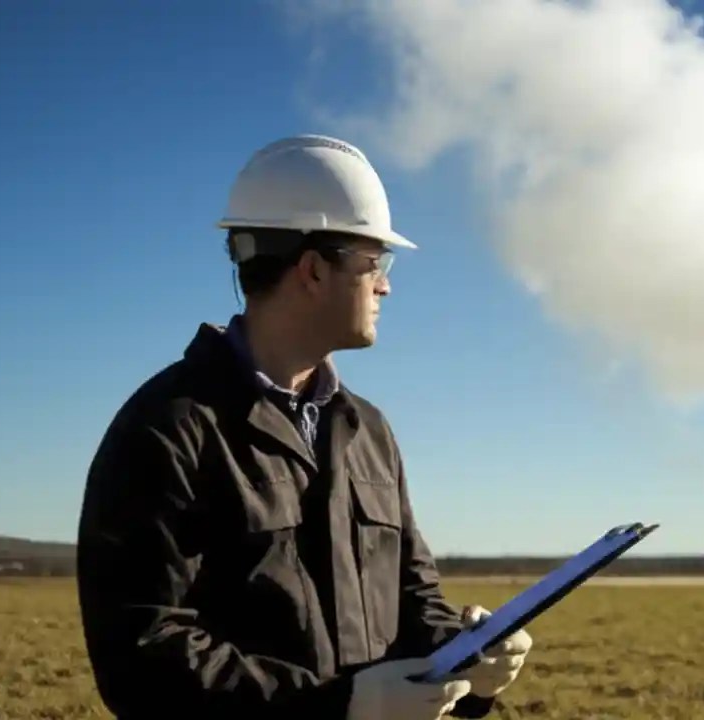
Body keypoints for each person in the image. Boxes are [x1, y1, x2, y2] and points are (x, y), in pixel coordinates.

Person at [76, 134, 532, 719]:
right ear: (314, 270)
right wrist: (336, 708)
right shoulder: (167, 429)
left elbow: (416, 601)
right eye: (375, 263)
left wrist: (469, 660)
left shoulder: (368, 430)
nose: (386, 285)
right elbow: (142, 660)